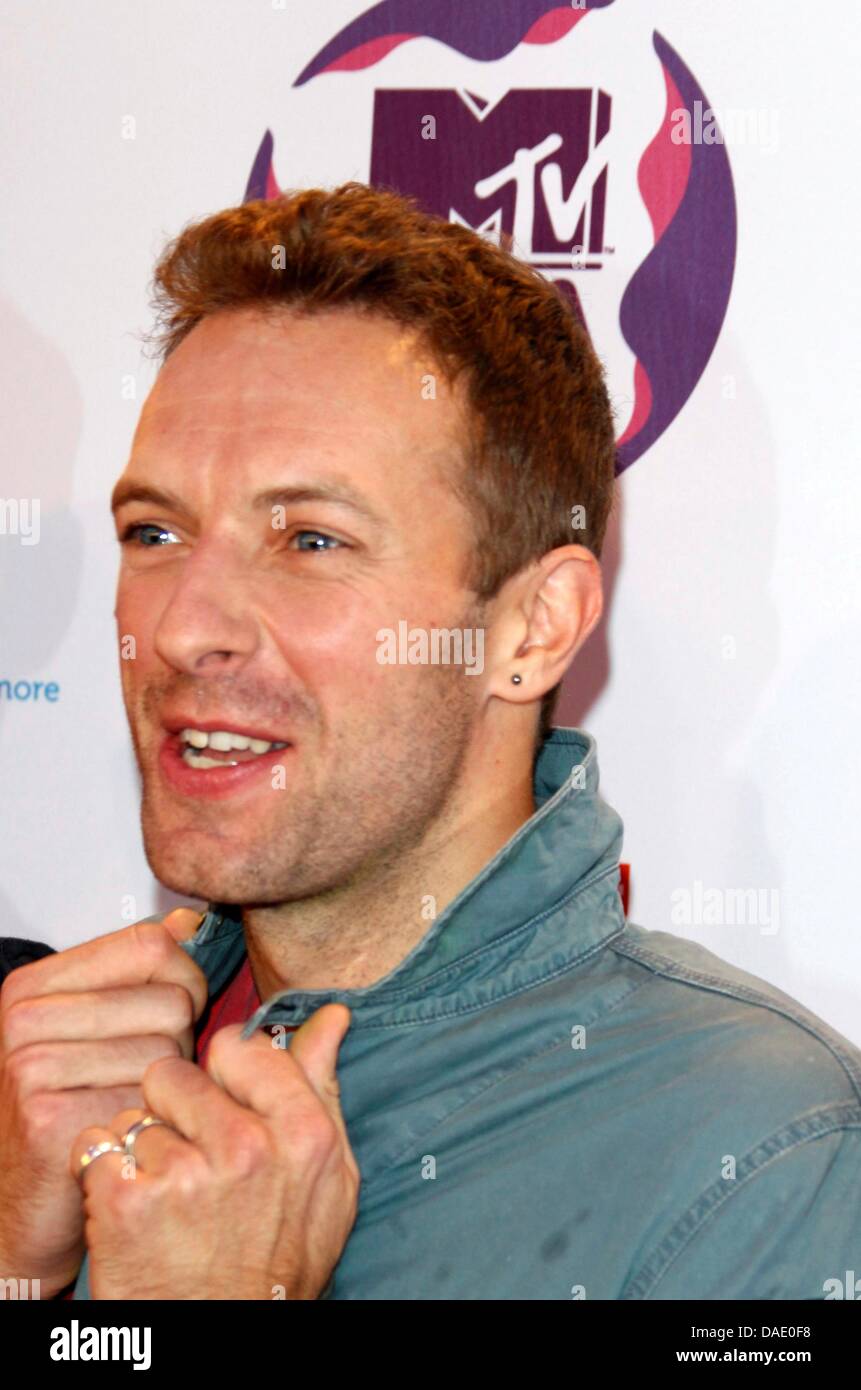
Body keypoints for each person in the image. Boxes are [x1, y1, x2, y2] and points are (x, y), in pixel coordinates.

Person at [1, 183, 858, 1301]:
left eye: (310, 539)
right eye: (154, 531)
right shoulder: (51, 1083)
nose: (181, 627)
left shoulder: (769, 1157)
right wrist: (18, 1267)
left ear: (531, 629)